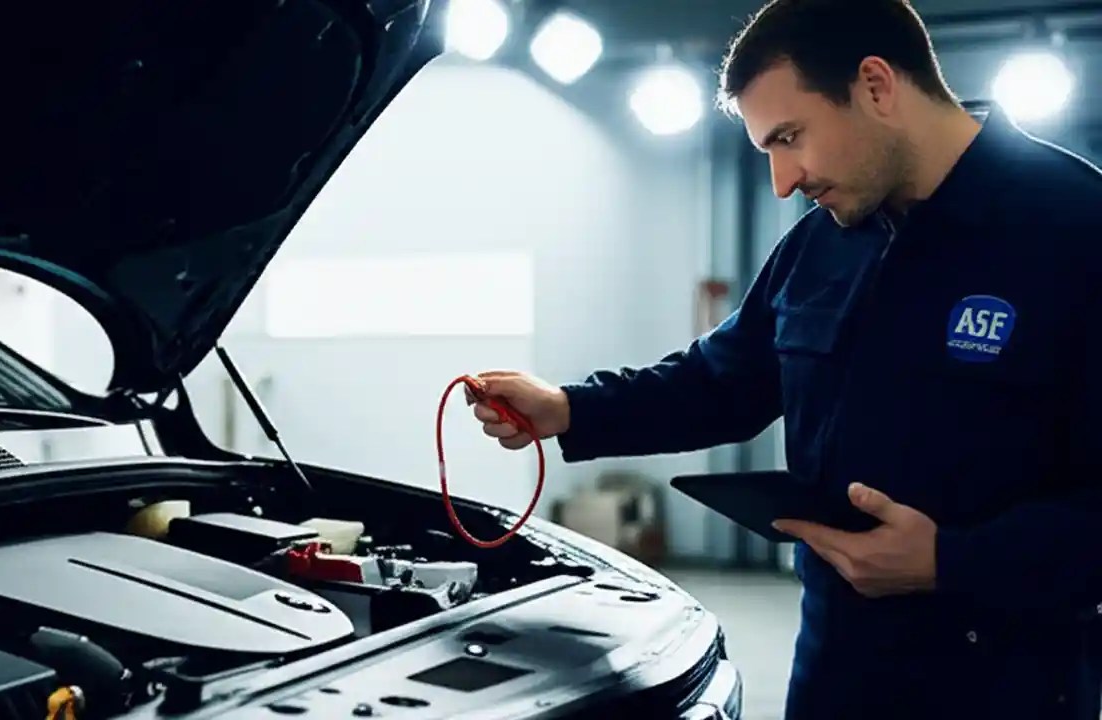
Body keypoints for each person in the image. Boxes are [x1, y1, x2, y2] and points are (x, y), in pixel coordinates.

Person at [466, 1, 1102, 718]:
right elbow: (721, 381)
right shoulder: (822, 241)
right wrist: (571, 408)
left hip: (1005, 686)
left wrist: (949, 562)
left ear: (876, 85)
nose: (781, 180)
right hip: (836, 671)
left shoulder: (1075, 229)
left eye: (791, 137)